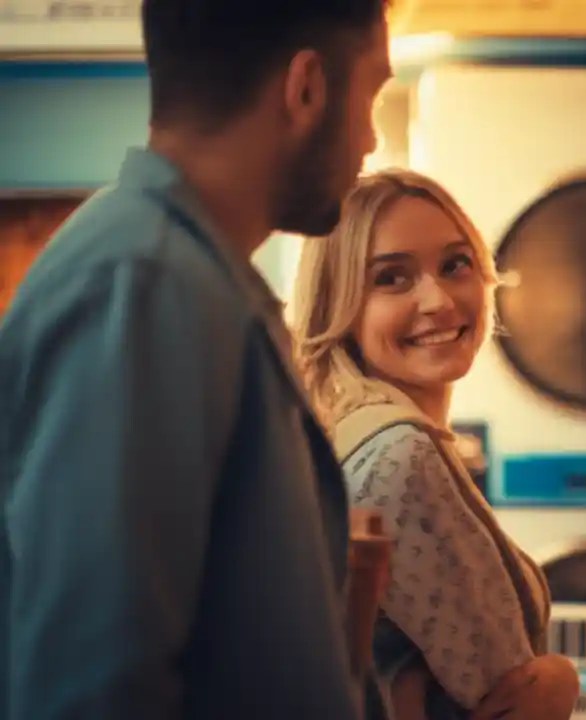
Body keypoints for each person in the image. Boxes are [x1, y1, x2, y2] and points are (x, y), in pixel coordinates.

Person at [0, 0, 392, 717]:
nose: (371, 137)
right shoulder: (145, 288)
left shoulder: (199, 281)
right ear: (306, 87)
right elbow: (93, 685)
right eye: (373, 92)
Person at [292, 169, 581, 720]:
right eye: (392, 279)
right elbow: (512, 695)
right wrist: (561, 680)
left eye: (455, 264)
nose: (439, 300)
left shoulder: (345, 436)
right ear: (340, 307)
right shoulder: (403, 455)